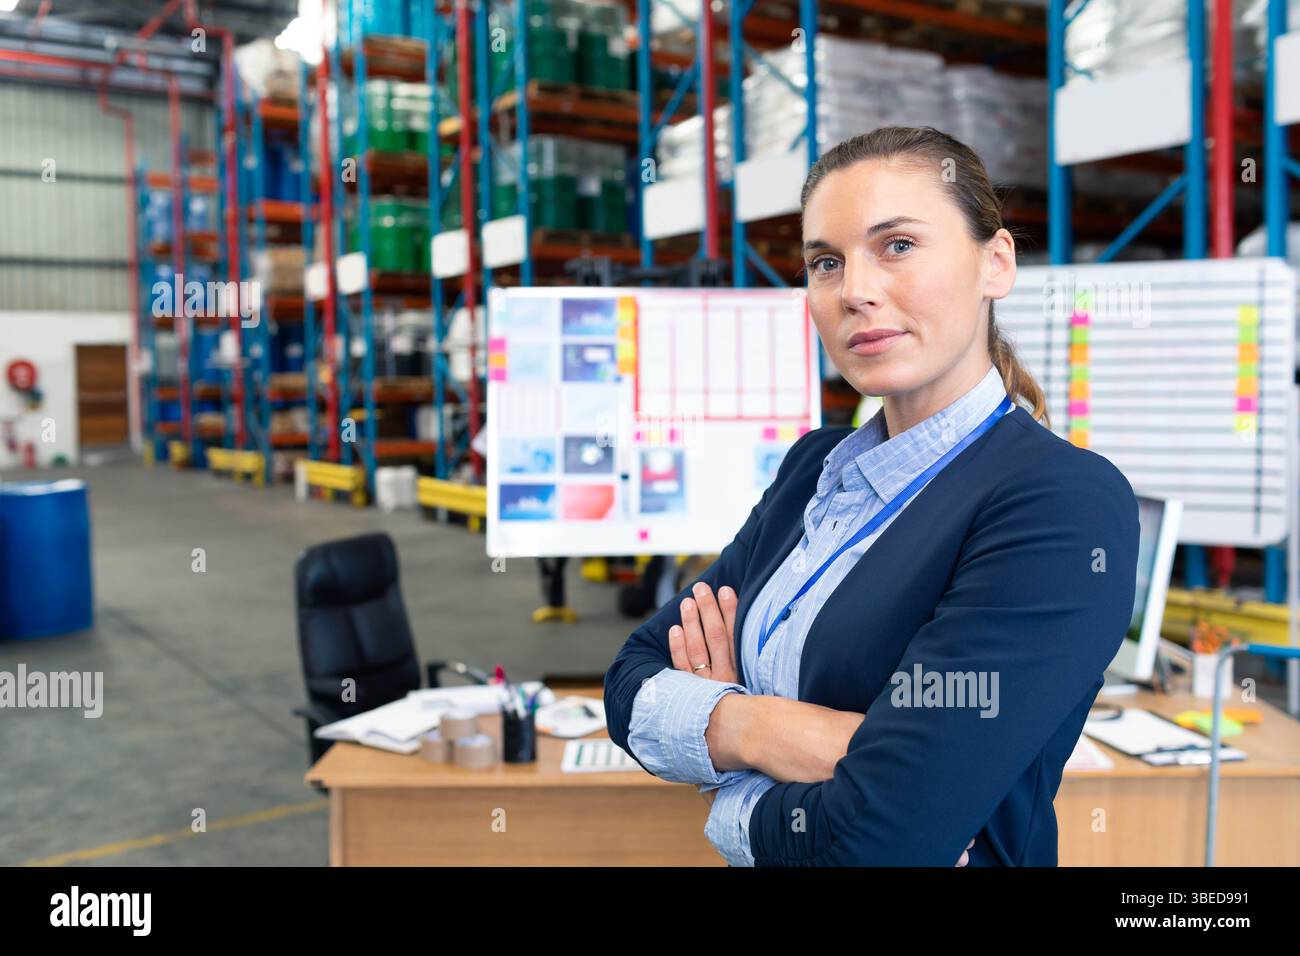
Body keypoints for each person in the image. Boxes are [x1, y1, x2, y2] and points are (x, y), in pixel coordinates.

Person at [603, 126, 1139, 866]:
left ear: (996, 262)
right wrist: (767, 731)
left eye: (897, 246)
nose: (855, 290)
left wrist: (721, 771)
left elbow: (880, 841)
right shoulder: (813, 471)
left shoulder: (1060, 505)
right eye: (826, 261)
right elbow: (630, 680)